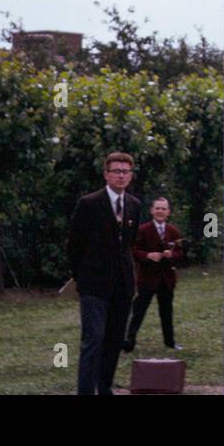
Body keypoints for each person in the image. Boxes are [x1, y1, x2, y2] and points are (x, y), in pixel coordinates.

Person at [67, 152, 141, 395]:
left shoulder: (134, 205)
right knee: (94, 339)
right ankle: (86, 391)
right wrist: (82, 277)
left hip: (123, 286)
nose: (121, 175)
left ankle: (105, 387)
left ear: (130, 175)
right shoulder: (88, 203)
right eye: (116, 171)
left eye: (125, 171)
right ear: (106, 174)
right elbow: (75, 244)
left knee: (114, 340)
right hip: (94, 286)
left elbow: (128, 245)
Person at [123, 196, 184, 353]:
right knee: (139, 311)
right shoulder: (142, 230)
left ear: (168, 212)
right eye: (157, 208)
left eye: (163, 209)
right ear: (151, 211)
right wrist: (148, 256)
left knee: (166, 312)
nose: (160, 211)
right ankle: (129, 342)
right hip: (147, 278)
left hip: (166, 280)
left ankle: (170, 342)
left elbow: (181, 253)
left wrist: (172, 256)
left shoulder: (174, 231)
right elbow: (133, 251)